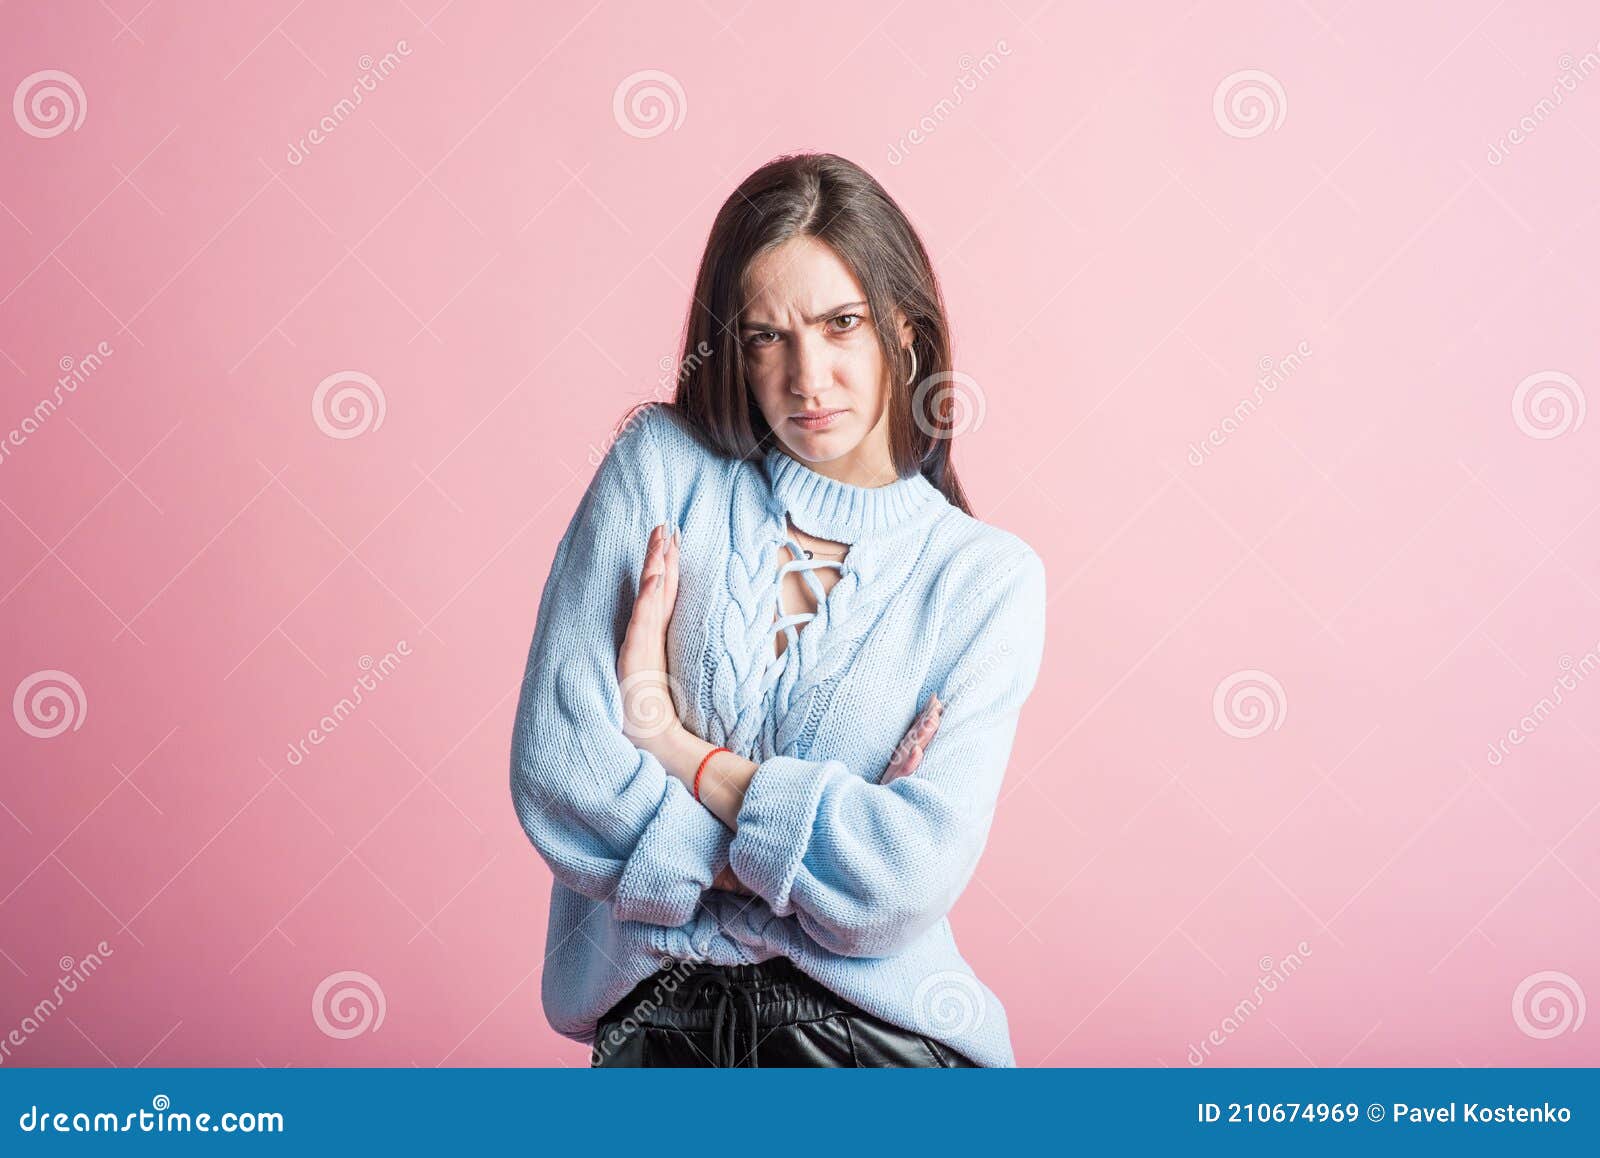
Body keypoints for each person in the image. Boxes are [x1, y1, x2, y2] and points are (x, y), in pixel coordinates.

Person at [509, 152, 1047, 1067]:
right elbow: (560, 775)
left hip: (874, 1052)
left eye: (842, 325)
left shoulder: (983, 579)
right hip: (658, 1042)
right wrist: (809, 859)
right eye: (766, 337)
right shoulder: (663, 468)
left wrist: (672, 743)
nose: (808, 376)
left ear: (906, 332)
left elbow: (899, 884)